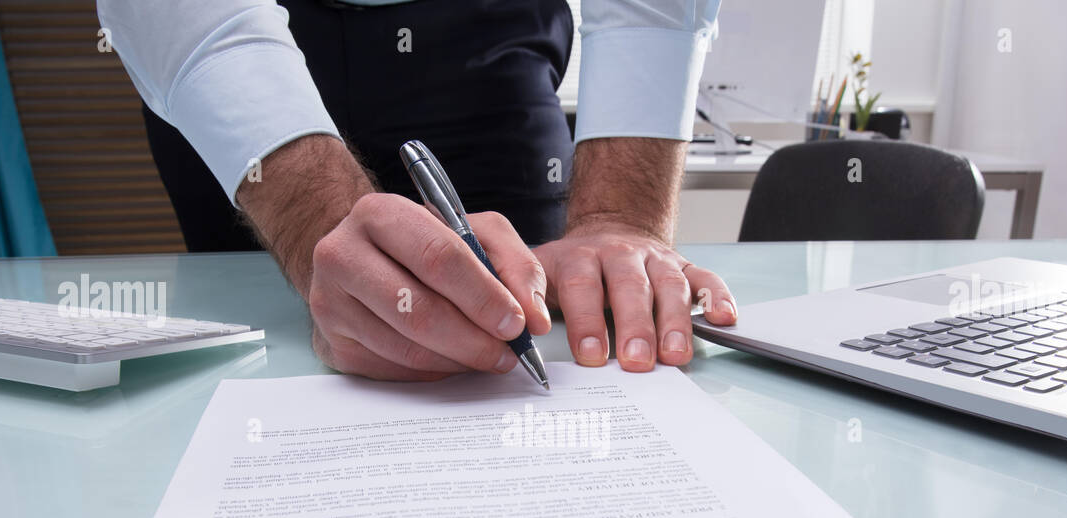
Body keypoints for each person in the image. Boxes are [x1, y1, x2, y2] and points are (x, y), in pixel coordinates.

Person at [98, 0, 738, 382]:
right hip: (230, 44)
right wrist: (312, 217)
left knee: (538, 309)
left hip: (491, 36)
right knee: (254, 355)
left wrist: (620, 217)